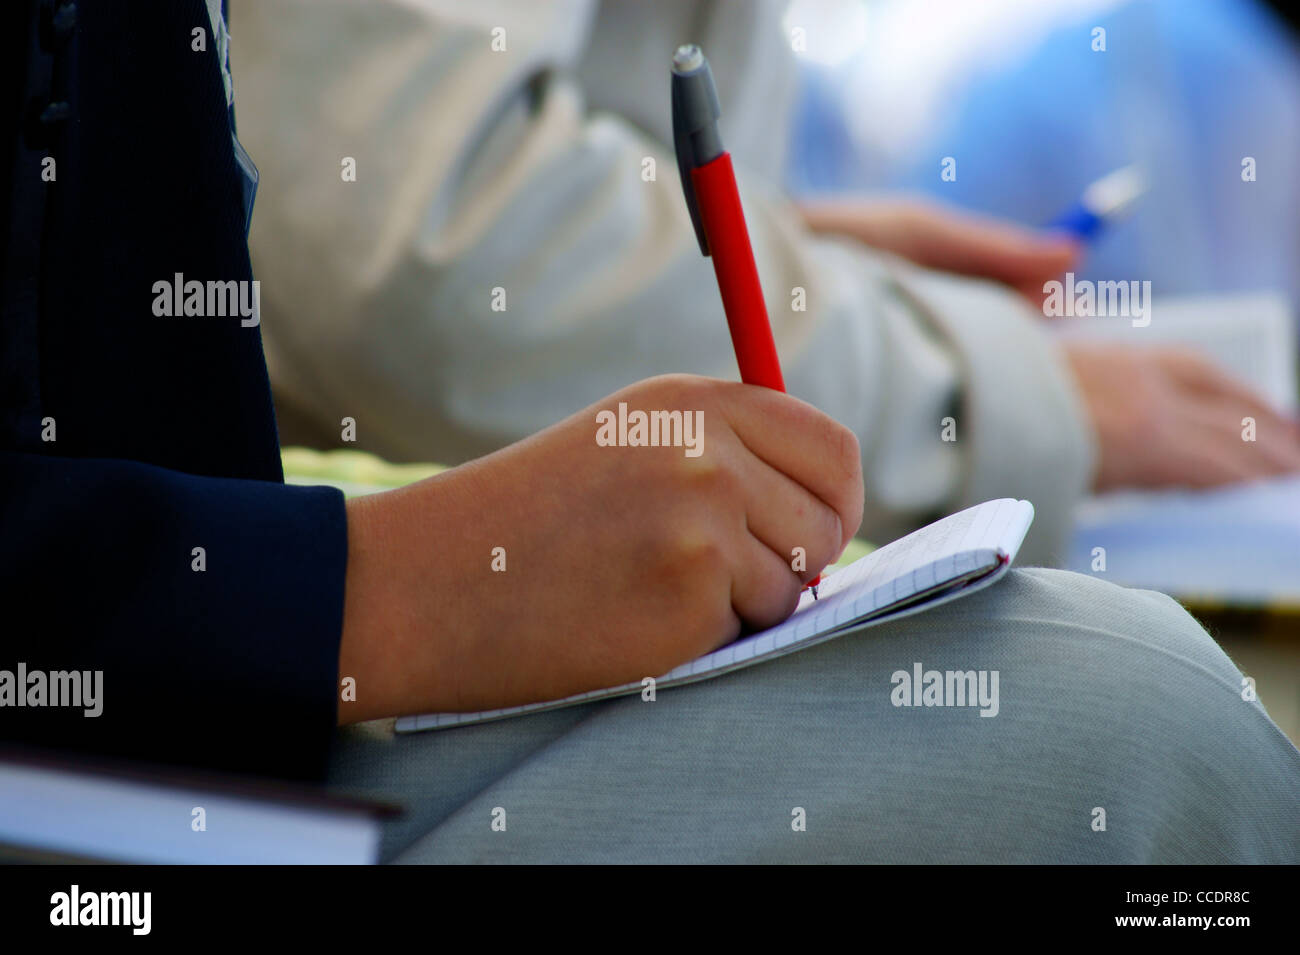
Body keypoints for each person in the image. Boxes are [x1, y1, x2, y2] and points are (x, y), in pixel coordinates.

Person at [3, 0, 1297, 863]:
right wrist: (375, 594)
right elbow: (394, 248)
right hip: (123, 765)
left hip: (182, 701)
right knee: (1130, 724)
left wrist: (816, 258)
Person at [231, 0, 1300, 568]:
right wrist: (965, 386)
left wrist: (808, 259)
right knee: (1156, 728)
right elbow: (416, 246)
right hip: (299, 613)